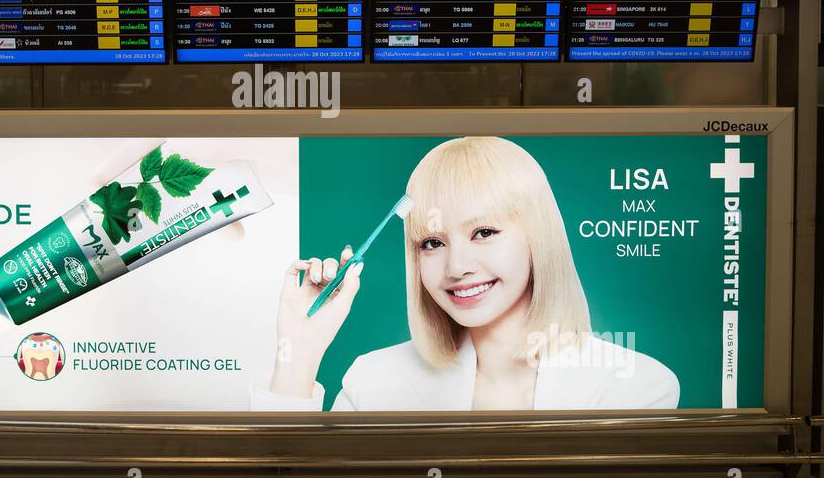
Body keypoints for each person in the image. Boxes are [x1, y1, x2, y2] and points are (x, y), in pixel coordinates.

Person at [252, 136, 680, 411]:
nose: (457, 267)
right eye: (432, 243)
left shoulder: (638, 388)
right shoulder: (373, 382)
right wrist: (299, 350)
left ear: (538, 237)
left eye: (484, 232)